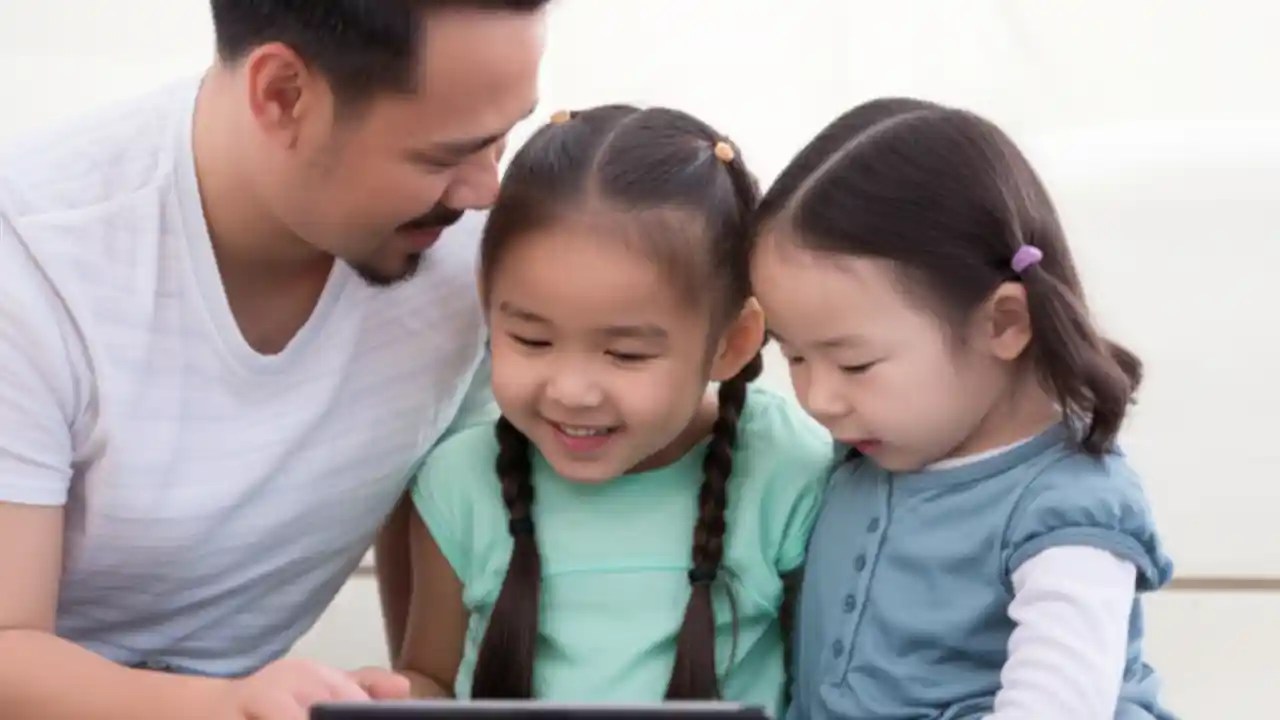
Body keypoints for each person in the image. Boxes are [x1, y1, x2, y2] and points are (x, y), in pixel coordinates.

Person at [0, 1, 548, 718]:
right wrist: (225, 707)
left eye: (503, 139)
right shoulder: (32, 254)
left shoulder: (476, 247)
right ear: (283, 95)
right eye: (443, 156)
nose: (485, 192)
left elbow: (439, 493)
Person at [393, 105, 833, 716]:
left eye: (625, 353)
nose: (572, 390)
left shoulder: (791, 470)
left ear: (732, 343)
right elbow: (428, 677)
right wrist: (380, 695)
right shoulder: (458, 484)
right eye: (532, 340)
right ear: (486, 305)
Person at [749, 98, 1175, 719]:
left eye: (855, 364)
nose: (819, 399)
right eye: (795, 358)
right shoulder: (867, 456)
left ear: (1004, 322)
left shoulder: (1067, 509)